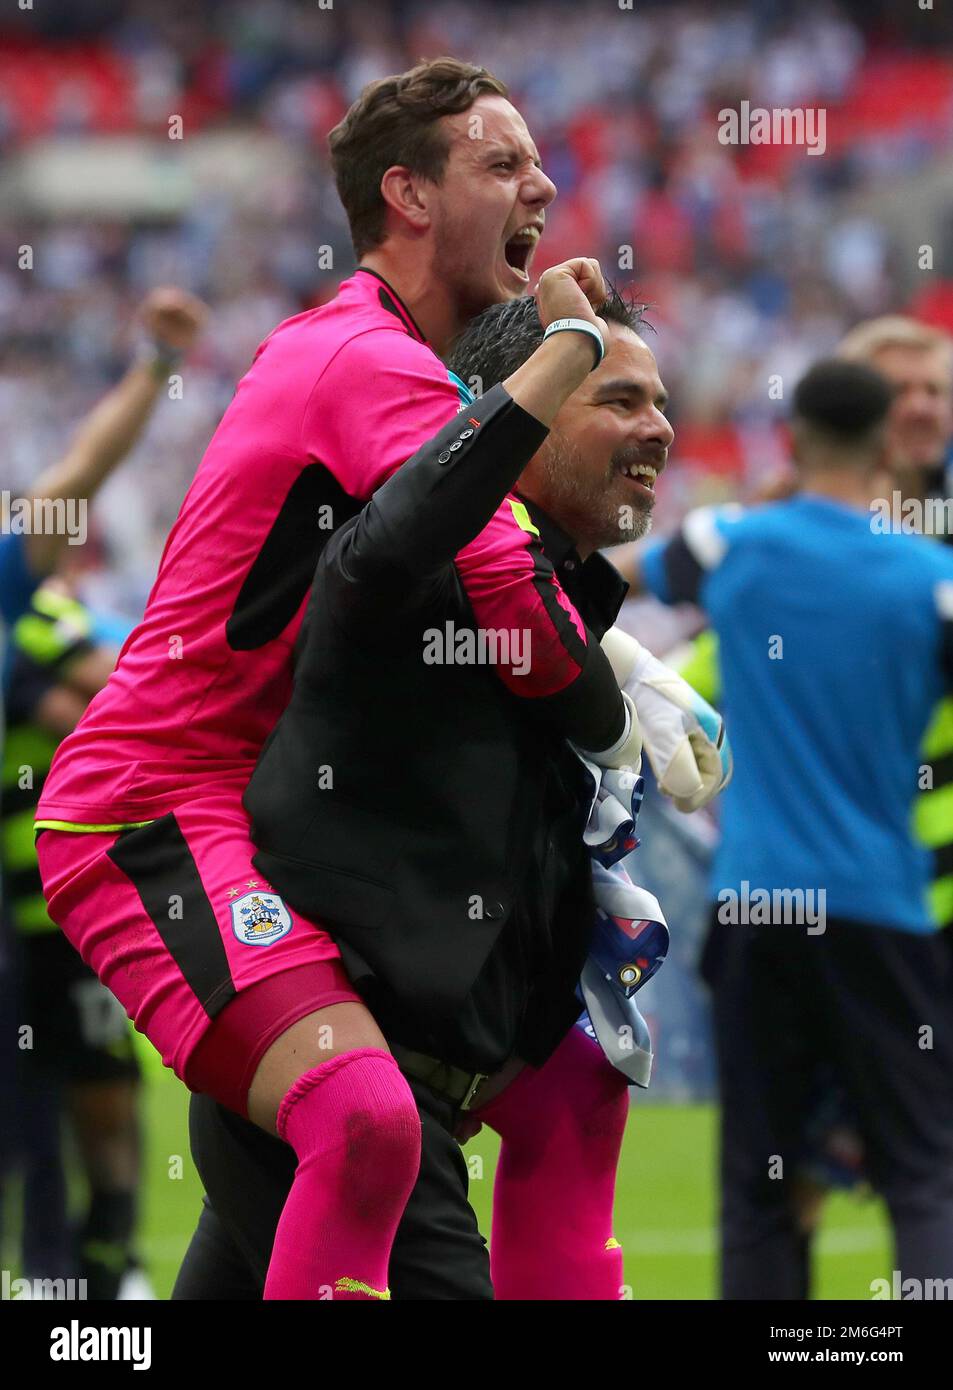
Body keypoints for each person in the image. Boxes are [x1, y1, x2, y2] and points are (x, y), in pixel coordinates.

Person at [174, 290, 728, 1302]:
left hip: (398, 1104)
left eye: (660, 399)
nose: (657, 425)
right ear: (516, 405)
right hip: (350, 1095)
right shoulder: (400, 562)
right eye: (617, 397)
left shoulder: (570, 600)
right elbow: (403, 537)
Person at [629, 357, 953, 1298]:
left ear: (792, 437)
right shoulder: (930, 581)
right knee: (921, 1174)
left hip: (756, 903)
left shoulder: (731, 545)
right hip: (886, 908)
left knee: (761, 1182)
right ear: (889, 443)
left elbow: (591, 578)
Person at [0, 286, 206, 1291]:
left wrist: (154, 368)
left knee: (68, 1100)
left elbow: (75, 479)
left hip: (38, 915)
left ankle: (84, 1277)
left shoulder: (20, 600)